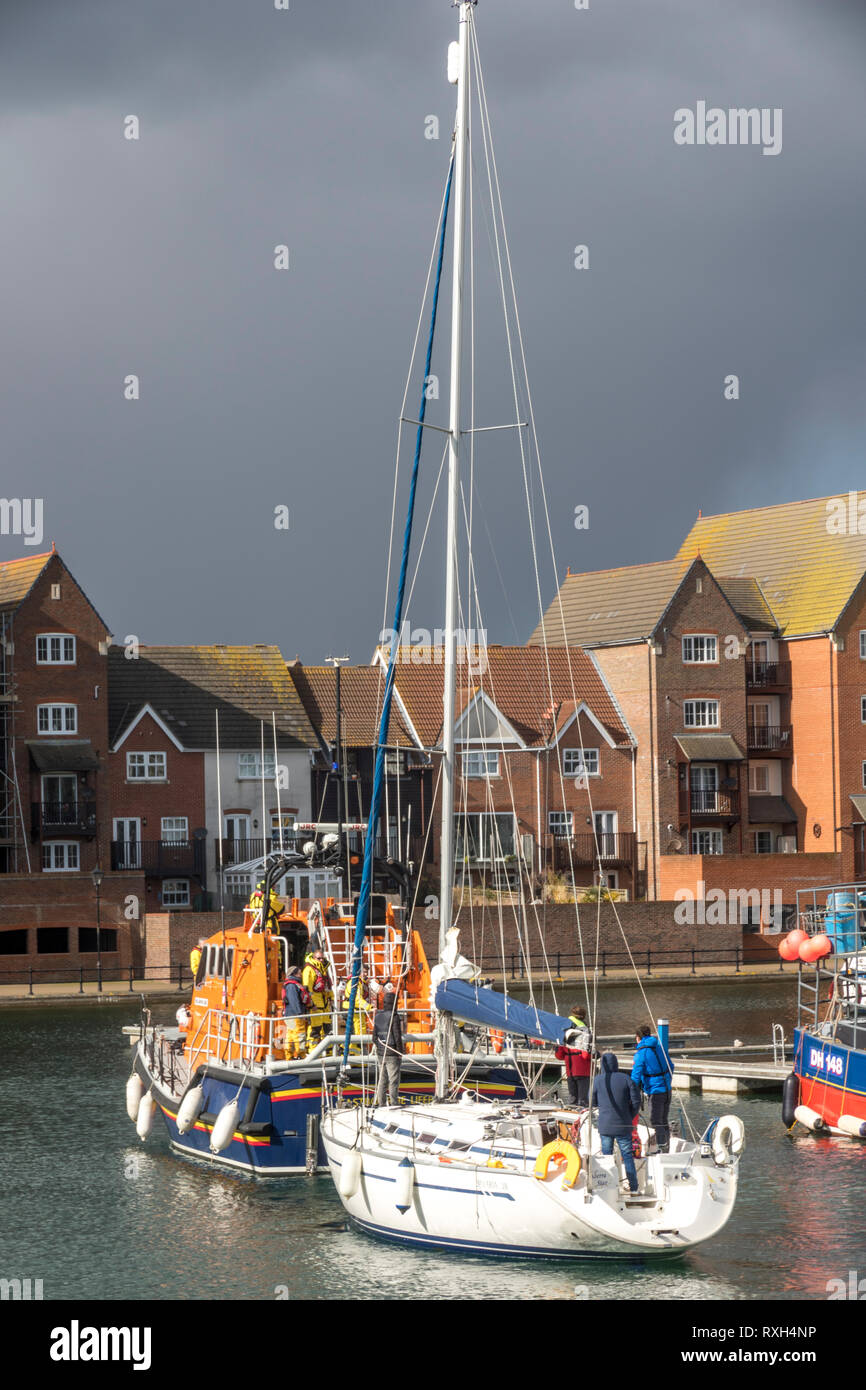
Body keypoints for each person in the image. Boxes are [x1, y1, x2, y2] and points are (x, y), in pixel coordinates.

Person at [592, 1052, 642, 1193]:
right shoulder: (626, 1078)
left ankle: (608, 1188)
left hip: (605, 1125)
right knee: (627, 1157)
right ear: (616, 1063)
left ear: (602, 1065)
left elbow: (592, 1100)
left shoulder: (597, 1080)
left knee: (607, 1157)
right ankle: (633, 1188)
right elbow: (637, 1101)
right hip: (624, 1125)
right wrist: (629, 1116)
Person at [631, 1024, 672, 1152]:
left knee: (655, 1121)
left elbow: (635, 1076)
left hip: (655, 1091)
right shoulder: (659, 1047)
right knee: (663, 1119)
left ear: (638, 1038)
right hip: (667, 1089)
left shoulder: (641, 1054)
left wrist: (630, 1091)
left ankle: (661, 1147)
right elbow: (671, 1065)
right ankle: (667, 1146)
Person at [373, 983, 404, 1106]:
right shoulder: (394, 1017)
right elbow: (397, 1035)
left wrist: (380, 1046)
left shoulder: (378, 1016)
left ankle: (381, 1103)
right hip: (392, 1052)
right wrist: (400, 1052)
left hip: (381, 1053)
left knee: (382, 1080)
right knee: (393, 1080)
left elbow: (374, 1037)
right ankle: (394, 1102)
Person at [302, 946, 333, 1047]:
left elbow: (327, 987)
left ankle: (327, 1050)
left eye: (322, 958)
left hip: (325, 1004)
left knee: (327, 1028)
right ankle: (313, 1050)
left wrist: (331, 999)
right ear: (313, 958)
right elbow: (307, 988)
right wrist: (311, 1004)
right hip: (316, 1004)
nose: (321, 960)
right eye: (319, 958)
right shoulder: (309, 969)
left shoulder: (322, 970)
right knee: (315, 1028)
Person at [555, 1027, 592, 1107]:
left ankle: (573, 1112)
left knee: (572, 1098)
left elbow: (559, 1056)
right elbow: (586, 1056)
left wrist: (558, 1048)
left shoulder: (565, 1039)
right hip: (583, 1073)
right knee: (583, 1099)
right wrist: (594, 1054)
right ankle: (582, 1112)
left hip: (570, 1073)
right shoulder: (584, 1039)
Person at [281, 965, 309, 1059]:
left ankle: (289, 1056)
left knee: (291, 1036)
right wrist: (299, 1013)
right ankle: (301, 1055)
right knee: (299, 1035)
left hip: (290, 1014)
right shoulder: (292, 986)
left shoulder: (291, 984)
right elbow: (294, 1000)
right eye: (299, 972)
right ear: (295, 973)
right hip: (294, 1015)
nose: (301, 974)